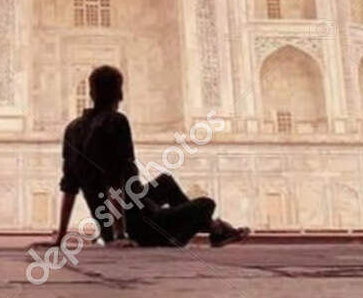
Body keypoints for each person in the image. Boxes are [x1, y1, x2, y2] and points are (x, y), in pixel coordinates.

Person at [53, 65, 249, 249]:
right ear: (120, 94)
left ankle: (216, 230)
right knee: (207, 204)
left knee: (165, 182)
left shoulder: (72, 129)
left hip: (115, 218)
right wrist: (120, 236)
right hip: (141, 228)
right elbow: (115, 180)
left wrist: (61, 237)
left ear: (91, 93)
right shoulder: (116, 121)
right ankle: (214, 229)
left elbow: (69, 187)